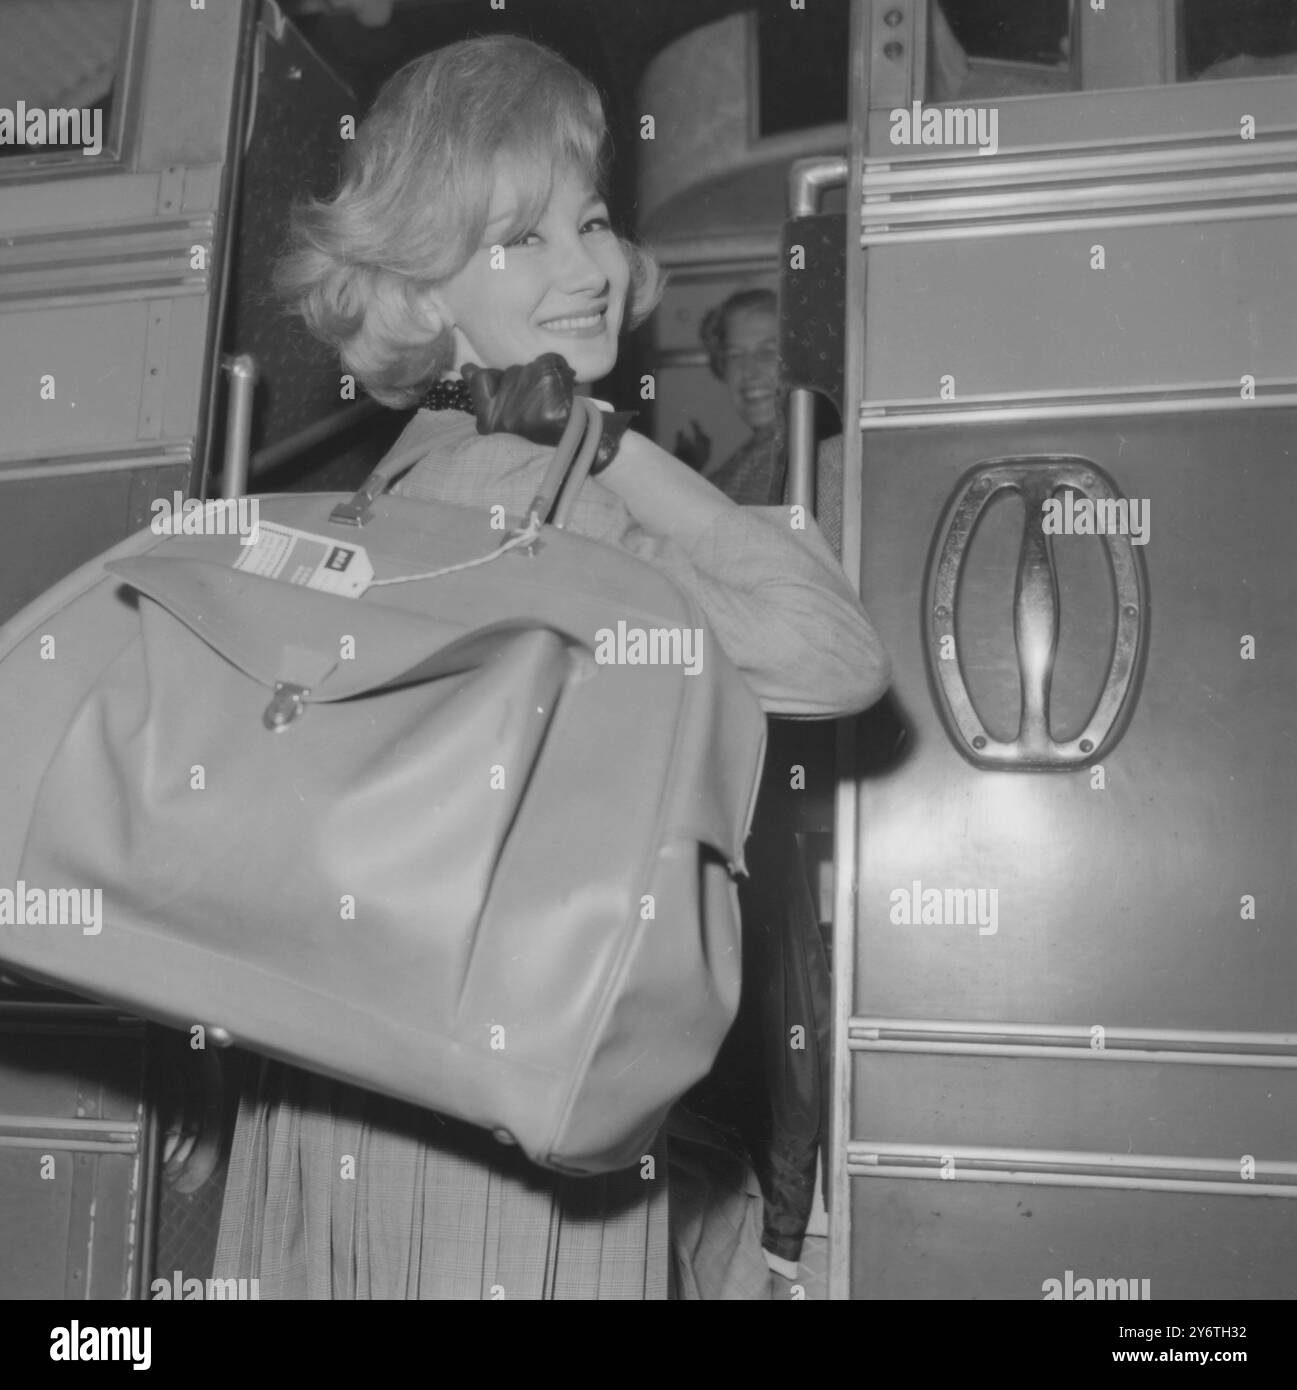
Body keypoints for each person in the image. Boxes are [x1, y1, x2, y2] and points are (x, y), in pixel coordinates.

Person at [213, 34, 889, 1300]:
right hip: (502, 1115)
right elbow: (833, 653)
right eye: (519, 239)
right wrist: (617, 447)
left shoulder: (386, 484)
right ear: (418, 297)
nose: (587, 267)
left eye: (588, 221)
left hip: (338, 1083)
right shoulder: (567, 509)